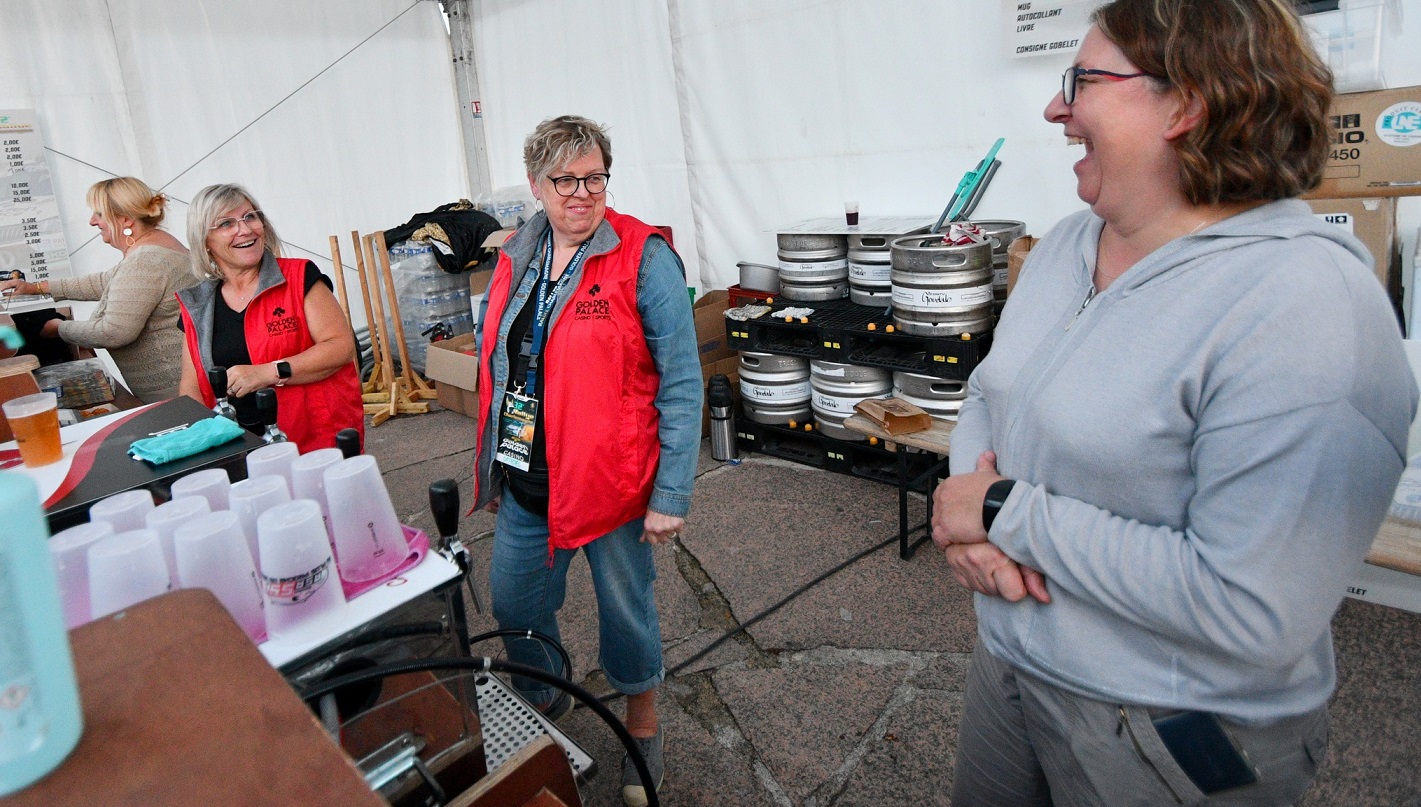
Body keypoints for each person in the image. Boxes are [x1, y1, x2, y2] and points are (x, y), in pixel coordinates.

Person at [931, 1, 1418, 804]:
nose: (1055, 107)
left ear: (1187, 103)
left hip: (1165, 731)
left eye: (1080, 81)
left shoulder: (1304, 305)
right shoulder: (1061, 247)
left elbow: (1251, 606)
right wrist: (968, 521)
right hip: (1012, 668)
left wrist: (1003, 512)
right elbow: (991, 391)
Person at [471, 115, 701, 807]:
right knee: (514, 604)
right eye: (564, 180)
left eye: (593, 176)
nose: (581, 192)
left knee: (625, 614)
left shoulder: (643, 257)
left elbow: (683, 382)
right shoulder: (518, 252)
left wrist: (672, 493)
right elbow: (503, 363)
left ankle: (643, 728)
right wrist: (492, 463)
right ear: (536, 185)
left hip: (612, 485)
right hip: (527, 477)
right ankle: (544, 693)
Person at [176, 184, 362, 453]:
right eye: (227, 223)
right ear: (205, 241)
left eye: (250, 217)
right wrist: (203, 444)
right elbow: (191, 386)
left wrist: (267, 372)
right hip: (234, 447)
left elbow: (341, 347)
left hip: (313, 441)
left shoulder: (299, 277)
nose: (245, 229)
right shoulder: (198, 304)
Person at [0, 178, 193, 402]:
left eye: (99, 214)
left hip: (174, 393)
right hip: (180, 386)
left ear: (125, 220)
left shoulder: (145, 261)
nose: (93, 222)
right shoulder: (157, 245)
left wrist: (59, 328)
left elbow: (113, 332)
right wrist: (35, 288)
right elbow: (109, 282)